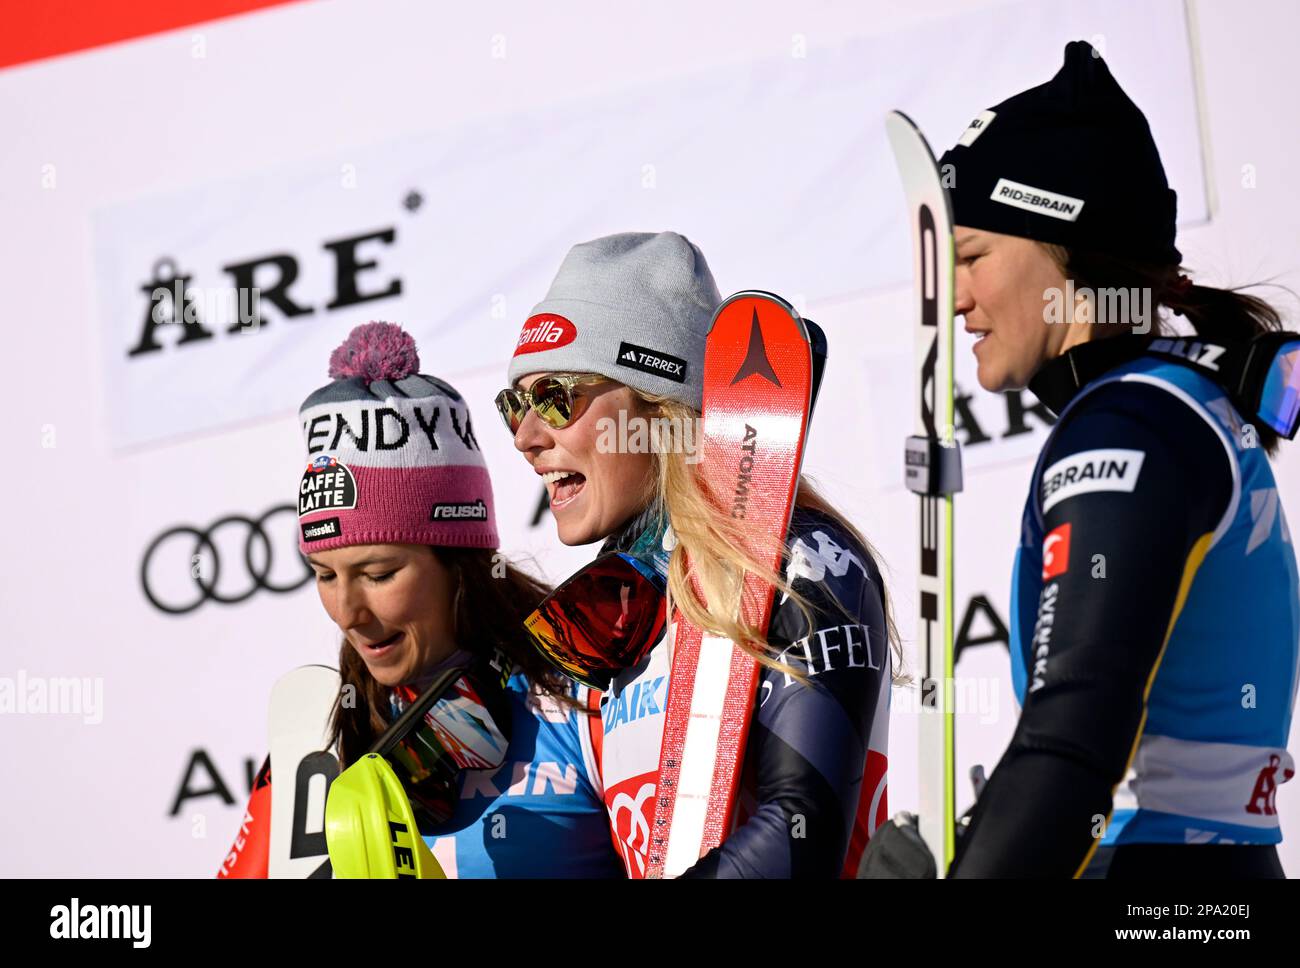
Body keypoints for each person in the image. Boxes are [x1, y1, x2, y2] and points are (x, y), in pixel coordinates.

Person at [937, 42, 1299, 878]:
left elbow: (1073, 742)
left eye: (973, 256)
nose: (955, 298)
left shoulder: (1126, 427)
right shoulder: (1171, 406)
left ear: (1062, 246)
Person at [496, 231, 897, 877]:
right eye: (514, 404)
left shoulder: (804, 559)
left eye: (555, 398)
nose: (525, 435)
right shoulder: (603, 632)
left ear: (658, 407)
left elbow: (804, 828)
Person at [219, 321, 624, 879]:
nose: (347, 613)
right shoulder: (314, 740)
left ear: (462, 568)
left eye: (379, 574)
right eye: (324, 575)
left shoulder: (582, 690)